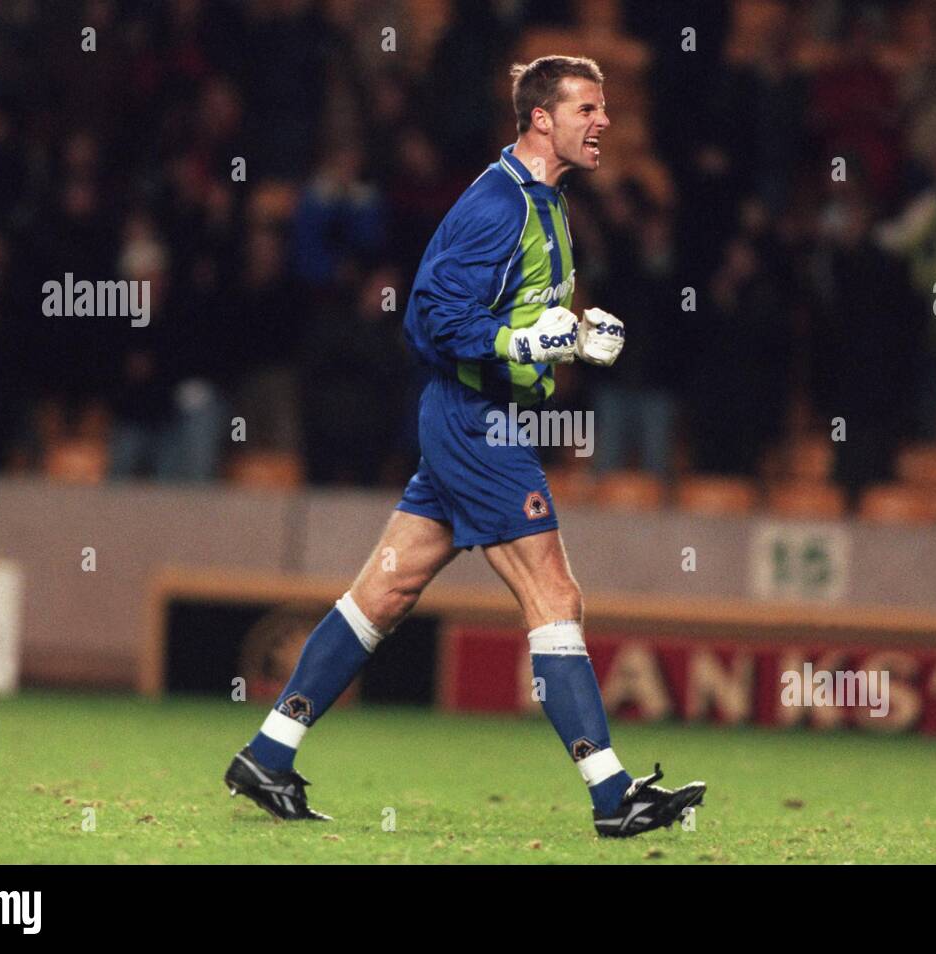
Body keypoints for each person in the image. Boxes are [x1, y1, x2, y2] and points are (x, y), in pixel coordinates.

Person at [224, 56, 705, 838]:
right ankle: (613, 795)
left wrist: (576, 339)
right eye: (588, 108)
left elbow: (512, 320)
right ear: (541, 119)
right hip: (477, 422)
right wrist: (521, 337)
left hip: (475, 416)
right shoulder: (496, 203)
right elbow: (428, 320)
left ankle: (268, 754)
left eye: (605, 107)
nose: (605, 122)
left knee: (383, 592)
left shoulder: (547, 202)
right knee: (555, 596)